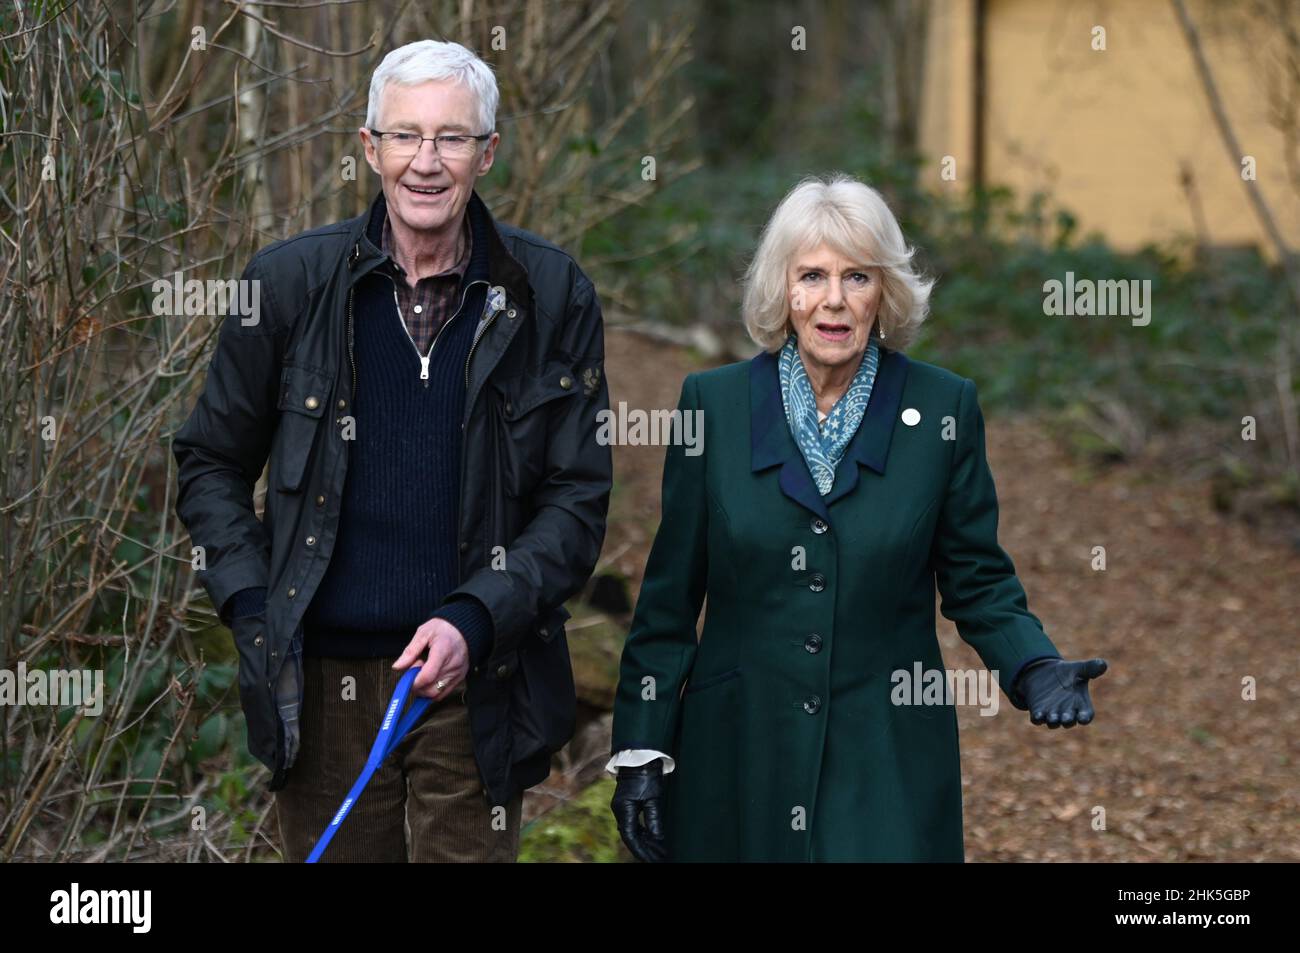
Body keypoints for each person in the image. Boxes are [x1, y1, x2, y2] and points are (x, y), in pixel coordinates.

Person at [173, 39, 612, 862]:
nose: (426, 161)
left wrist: (478, 615)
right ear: (370, 148)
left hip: (478, 680)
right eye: (405, 135)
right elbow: (210, 462)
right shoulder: (287, 286)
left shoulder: (551, 294)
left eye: (451, 137)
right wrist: (255, 609)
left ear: (488, 152)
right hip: (321, 682)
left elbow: (577, 499)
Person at [607, 173, 1106, 862]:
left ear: (887, 292)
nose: (833, 301)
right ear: (783, 289)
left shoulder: (942, 409)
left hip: (885, 756)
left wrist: (1033, 666)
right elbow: (667, 603)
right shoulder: (713, 406)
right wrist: (641, 749)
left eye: (858, 277)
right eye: (812, 275)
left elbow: (978, 581)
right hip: (740, 752)